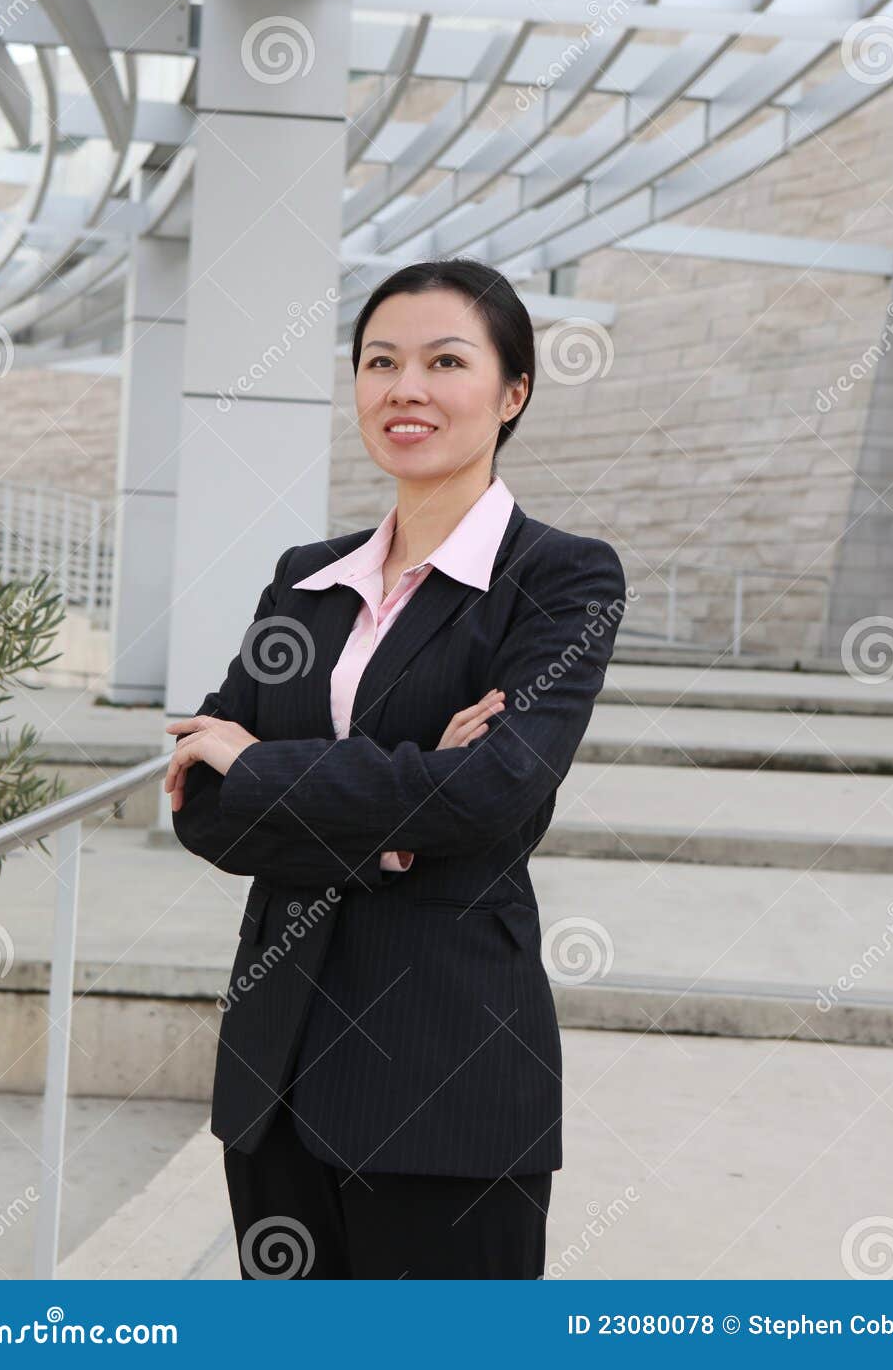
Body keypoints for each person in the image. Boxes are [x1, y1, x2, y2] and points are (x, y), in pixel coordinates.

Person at [164, 257, 627, 1279]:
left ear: (510, 394)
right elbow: (203, 805)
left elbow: (499, 790)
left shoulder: (559, 577)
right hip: (275, 1069)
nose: (402, 387)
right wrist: (412, 810)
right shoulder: (306, 578)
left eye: (443, 360)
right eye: (379, 361)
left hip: (445, 1070)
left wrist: (265, 765)